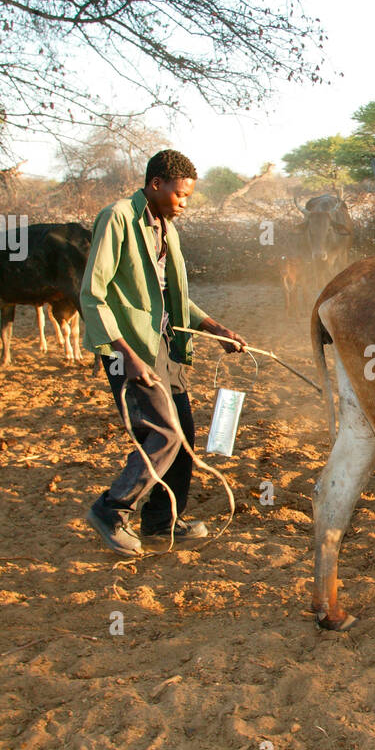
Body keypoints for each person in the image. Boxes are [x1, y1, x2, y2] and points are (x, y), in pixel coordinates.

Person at [80, 149, 247, 556]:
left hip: (165, 344)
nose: (184, 205)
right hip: (128, 347)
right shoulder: (117, 217)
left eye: (188, 197)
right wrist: (127, 355)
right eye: (180, 195)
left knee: (184, 433)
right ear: (156, 185)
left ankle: (160, 522)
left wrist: (214, 327)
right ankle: (112, 509)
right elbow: (92, 295)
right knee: (163, 433)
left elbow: (172, 296)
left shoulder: (166, 229)